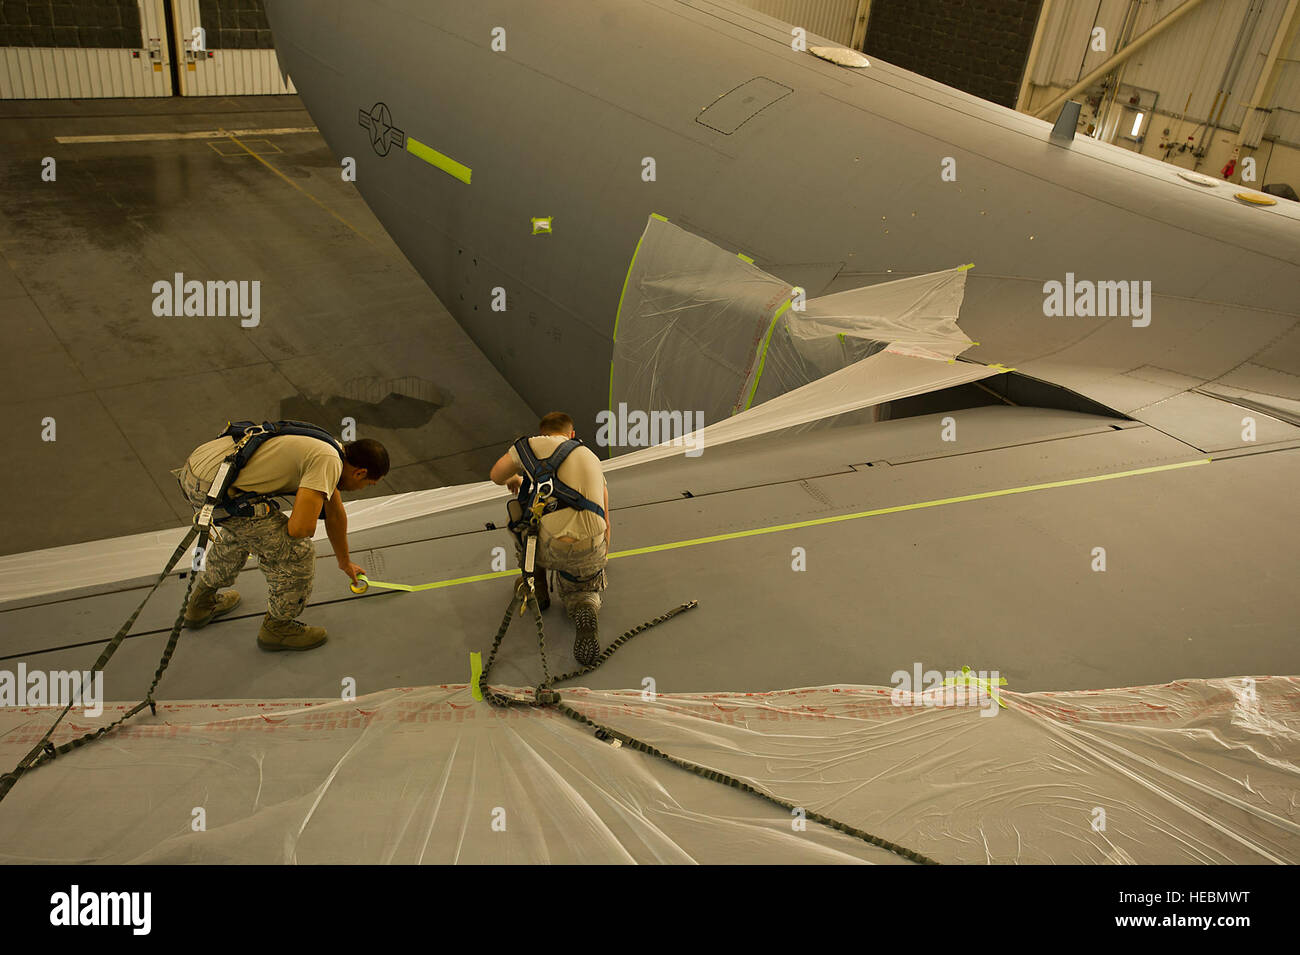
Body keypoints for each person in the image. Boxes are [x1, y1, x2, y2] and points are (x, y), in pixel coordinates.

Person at [177, 427, 389, 651]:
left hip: (199, 471)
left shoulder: (329, 448)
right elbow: (299, 529)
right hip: (214, 488)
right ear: (360, 473)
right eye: (368, 484)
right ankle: (277, 629)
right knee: (299, 553)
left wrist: (345, 562)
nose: (362, 488)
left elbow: (335, 515)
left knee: (246, 529)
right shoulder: (328, 462)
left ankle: (201, 603)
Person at [490, 412, 609, 665]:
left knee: (522, 521)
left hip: (547, 547)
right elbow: (605, 513)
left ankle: (536, 588)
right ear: (572, 434)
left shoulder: (528, 447)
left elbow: (496, 475)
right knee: (583, 583)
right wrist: (602, 553)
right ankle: (584, 602)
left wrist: (513, 478)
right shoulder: (590, 457)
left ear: (542, 432)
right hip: (590, 547)